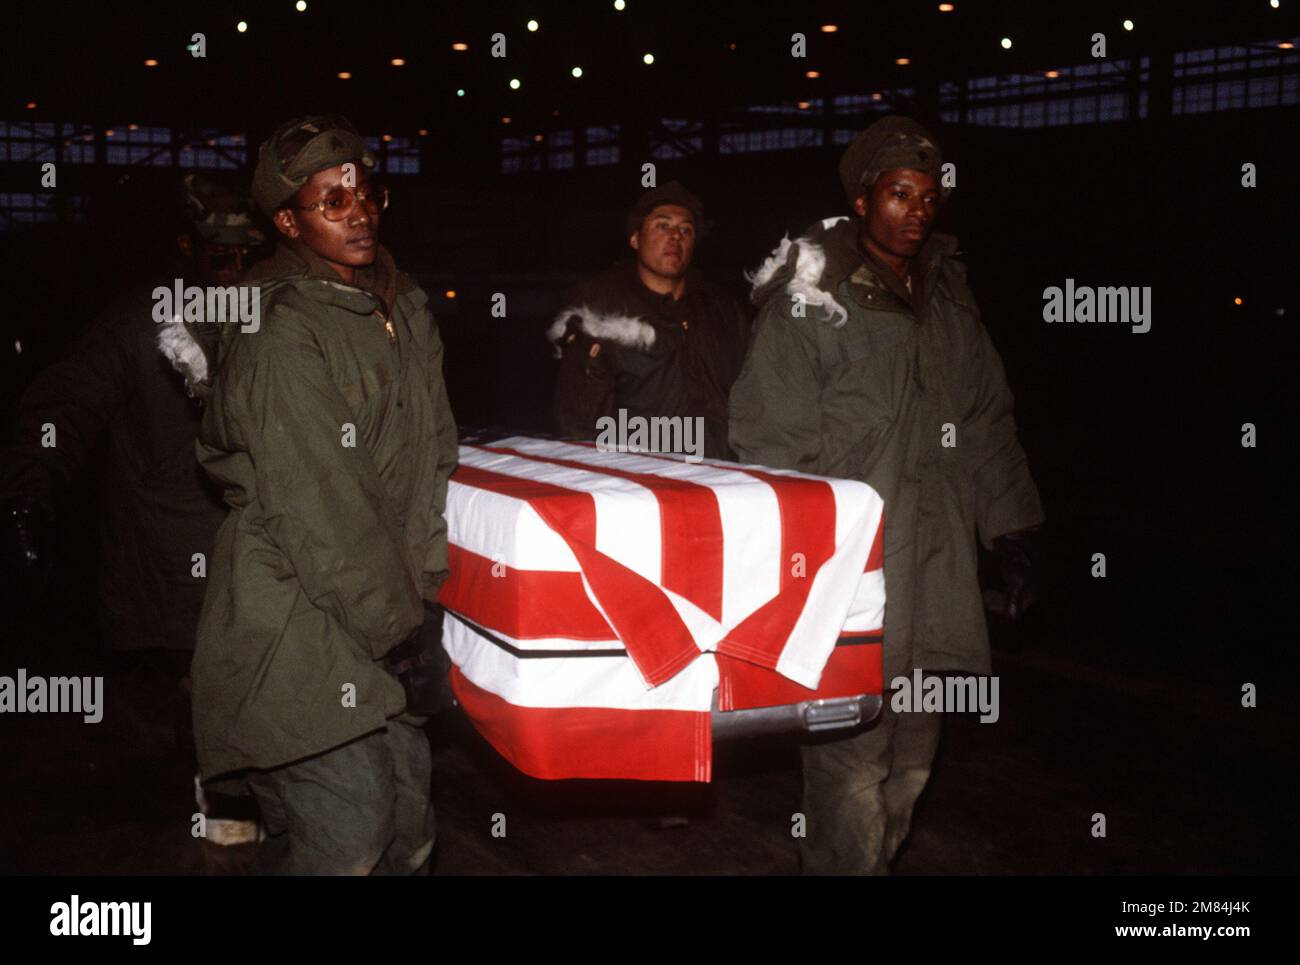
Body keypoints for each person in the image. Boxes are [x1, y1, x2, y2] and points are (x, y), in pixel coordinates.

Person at [729, 115, 1044, 874]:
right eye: (900, 193)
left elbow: (984, 418)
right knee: (849, 773)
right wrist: (805, 572)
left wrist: (1013, 531)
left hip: (935, 576)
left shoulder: (948, 296)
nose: (918, 211)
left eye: (930, 197)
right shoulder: (812, 303)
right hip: (853, 580)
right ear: (863, 200)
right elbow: (768, 442)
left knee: (910, 766)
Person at [181, 115, 458, 874]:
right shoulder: (280, 334)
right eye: (330, 201)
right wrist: (402, 634)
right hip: (295, 621)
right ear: (286, 221)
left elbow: (433, 459)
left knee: (410, 826)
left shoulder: (404, 309)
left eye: (365, 190)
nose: (358, 209)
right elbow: (321, 505)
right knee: (352, 830)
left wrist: (427, 598)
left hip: (384, 617)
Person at [0, 174, 264, 774]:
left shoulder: (276, 314)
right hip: (173, 567)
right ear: (186, 249)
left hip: (264, 557)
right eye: (221, 256)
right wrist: (28, 493)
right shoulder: (142, 321)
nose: (235, 271)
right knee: (207, 726)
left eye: (250, 255)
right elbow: (66, 405)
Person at [549, 181, 750, 459]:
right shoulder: (601, 318)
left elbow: (753, 401)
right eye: (662, 226)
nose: (675, 237)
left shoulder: (723, 314)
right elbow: (578, 426)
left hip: (720, 478)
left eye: (686, 230)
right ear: (635, 239)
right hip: (644, 481)